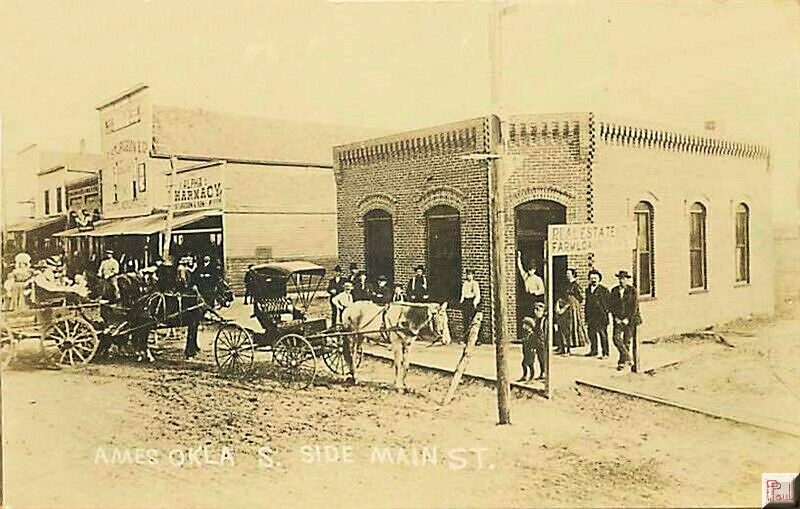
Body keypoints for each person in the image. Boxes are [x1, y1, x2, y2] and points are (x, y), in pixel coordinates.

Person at [609, 270, 642, 371]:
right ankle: (628, 358)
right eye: (620, 279)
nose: (622, 281)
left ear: (627, 280)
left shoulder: (632, 291)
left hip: (630, 319)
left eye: (624, 279)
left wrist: (627, 319)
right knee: (616, 339)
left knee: (626, 341)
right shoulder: (614, 290)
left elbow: (634, 307)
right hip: (618, 319)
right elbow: (612, 306)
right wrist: (616, 318)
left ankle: (621, 362)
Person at [554, 268, 588, 355]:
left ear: (573, 275)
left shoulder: (576, 285)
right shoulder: (565, 284)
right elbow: (562, 295)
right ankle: (562, 347)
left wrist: (572, 303)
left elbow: (581, 298)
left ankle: (568, 349)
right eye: (566, 274)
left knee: (570, 328)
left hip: (572, 309)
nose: (567, 275)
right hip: (564, 306)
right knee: (563, 327)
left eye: (569, 274)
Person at [584, 268, 611, 358]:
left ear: (599, 279)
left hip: (601, 316)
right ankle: (594, 351)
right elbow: (587, 303)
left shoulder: (604, 290)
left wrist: (605, 312)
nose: (593, 280)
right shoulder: (587, 290)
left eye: (595, 278)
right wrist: (586, 317)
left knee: (602, 334)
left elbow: (608, 303)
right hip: (591, 316)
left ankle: (605, 353)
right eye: (591, 278)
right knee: (591, 334)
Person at [520, 302, 547, 382]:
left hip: (541, 341)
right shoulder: (534, 320)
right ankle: (526, 375)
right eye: (535, 310)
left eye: (538, 310)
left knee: (542, 358)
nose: (536, 312)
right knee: (531, 359)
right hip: (534, 341)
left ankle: (543, 373)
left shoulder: (544, 320)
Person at [459, 269, 481, 342]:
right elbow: (463, 293)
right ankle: (466, 338)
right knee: (465, 321)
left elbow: (477, 294)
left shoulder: (475, 284)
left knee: (473, 321)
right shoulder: (465, 284)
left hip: (472, 301)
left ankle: (477, 339)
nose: (469, 276)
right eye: (467, 275)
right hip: (466, 302)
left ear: (473, 275)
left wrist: (475, 303)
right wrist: (462, 300)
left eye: (470, 275)